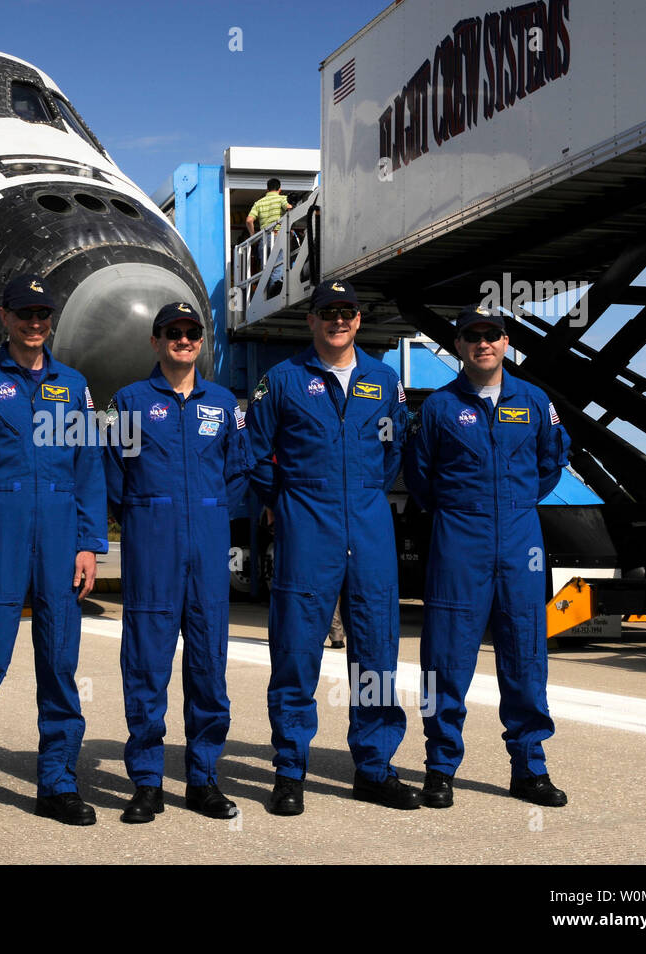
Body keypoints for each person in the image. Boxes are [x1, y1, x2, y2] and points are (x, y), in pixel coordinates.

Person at [247, 279, 420, 813]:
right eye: (328, 313)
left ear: (359, 321)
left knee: (375, 652)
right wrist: (288, 502)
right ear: (312, 320)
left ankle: (373, 767)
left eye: (347, 312)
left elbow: (393, 452)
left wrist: (363, 492)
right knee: (297, 651)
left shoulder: (384, 381)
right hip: (307, 521)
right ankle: (290, 771)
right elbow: (256, 452)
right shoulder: (281, 381)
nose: (338, 321)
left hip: (368, 522)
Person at [0, 274, 109, 835]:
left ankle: (58, 784)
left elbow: (89, 469)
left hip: (62, 537)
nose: (34, 323)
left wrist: (91, 544)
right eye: (24, 313)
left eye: (42, 314)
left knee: (60, 666)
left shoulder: (74, 385)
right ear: (5, 317)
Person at [404, 304, 571, 809]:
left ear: (505, 343)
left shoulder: (535, 401)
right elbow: (418, 474)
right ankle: (440, 768)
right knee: (445, 659)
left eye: (492, 335)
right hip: (460, 538)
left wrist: (513, 504)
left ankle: (530, 768)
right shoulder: (437, 408)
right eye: (472, 336)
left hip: (521, 538)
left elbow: (551, 464)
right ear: (459, 345)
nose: (483, 344)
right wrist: (463, 510)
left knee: (525, 655)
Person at [103, 301, 251, 824]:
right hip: (152, 544)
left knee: (209, 663)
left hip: (208, 543)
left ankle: (203, 778)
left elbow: (239, 471)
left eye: (191, 332)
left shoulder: (223, 402)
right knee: (146, 663)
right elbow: (114, 479)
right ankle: (146, 781)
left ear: (201, 341)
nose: (183, 339)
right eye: (173, 332)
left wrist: (209, 513)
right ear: (156, 340)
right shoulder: (129, 401)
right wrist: (149, 514)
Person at [246, 178, 293, 295]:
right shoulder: (282, 198)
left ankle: (263, 297)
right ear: (279, 189)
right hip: (277, 237)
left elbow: (249, 220)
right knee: (277, 268)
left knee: (265, 270)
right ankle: (273, 297)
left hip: (263, 239)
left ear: (267, 189)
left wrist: (253, 236)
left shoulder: (259, 203)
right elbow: (289, 207)